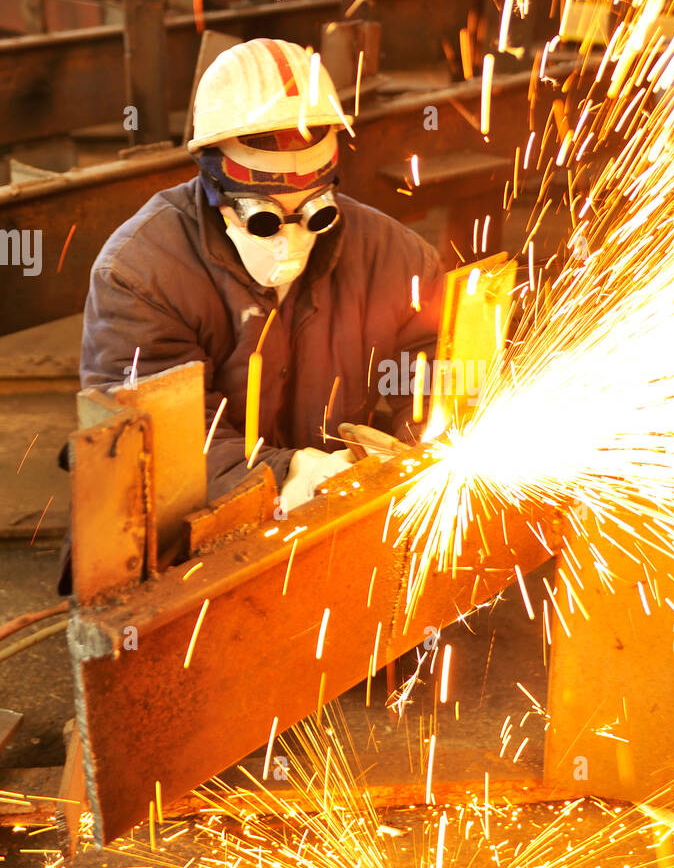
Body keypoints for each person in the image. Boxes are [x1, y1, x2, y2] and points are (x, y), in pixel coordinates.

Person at [76, 39, 443, 521]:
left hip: (335, 519)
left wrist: (435, 432)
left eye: (314, 214)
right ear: (215, 185)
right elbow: (154, 439)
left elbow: (433, 364)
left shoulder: (394, 255)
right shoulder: (141, 271)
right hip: (185, 536)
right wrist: (286, 475)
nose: (289, 237)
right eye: (264, 219)